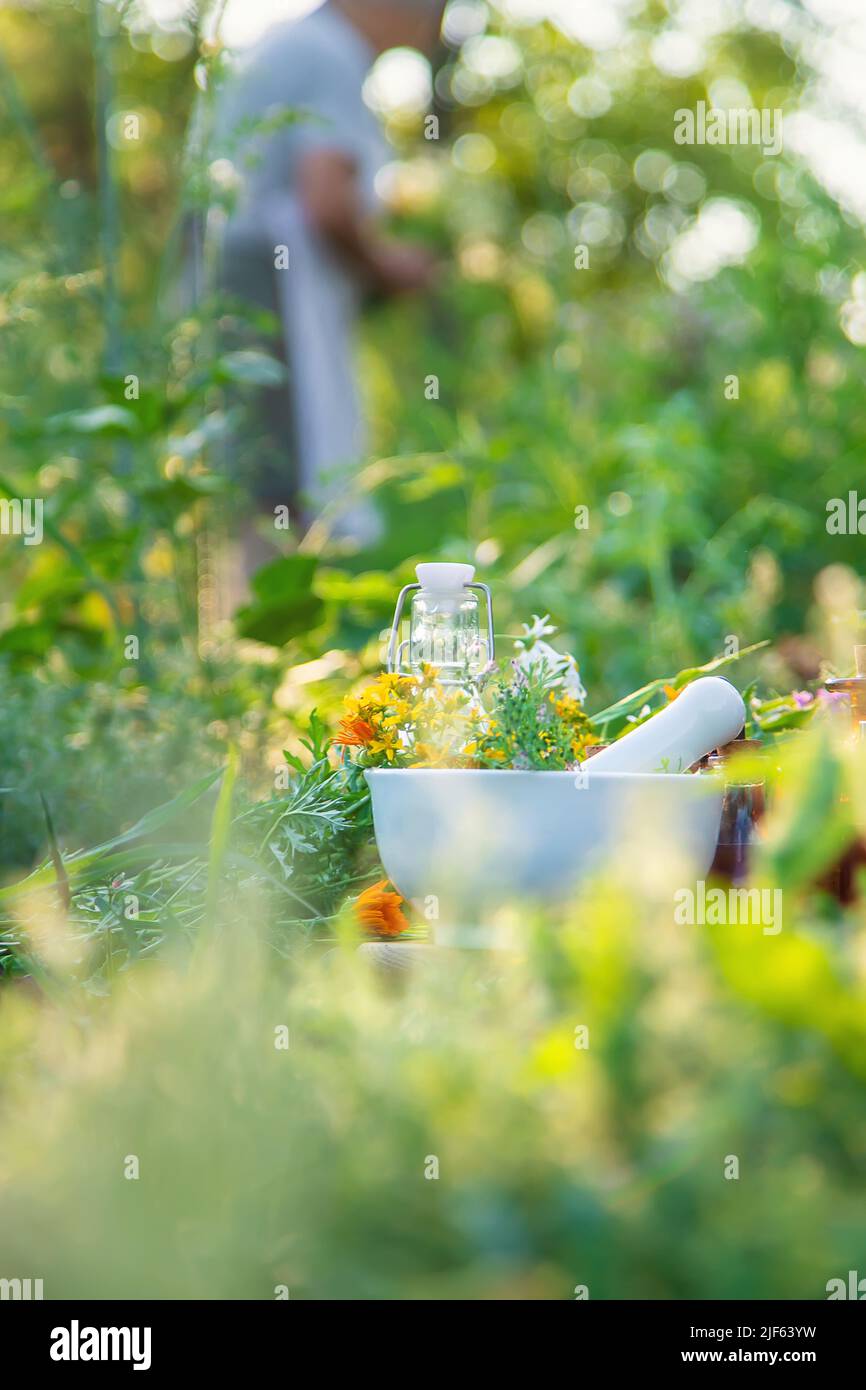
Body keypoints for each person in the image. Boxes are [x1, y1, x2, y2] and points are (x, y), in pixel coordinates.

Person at [213, 0, 445, 558]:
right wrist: (389, 265)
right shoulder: (332, 54)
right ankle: (270, 607)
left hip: (232, 271)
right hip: (273, 286)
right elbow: (327, 201)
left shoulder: (287, 43)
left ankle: (248, 603)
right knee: (279, 475)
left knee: (249, 467)